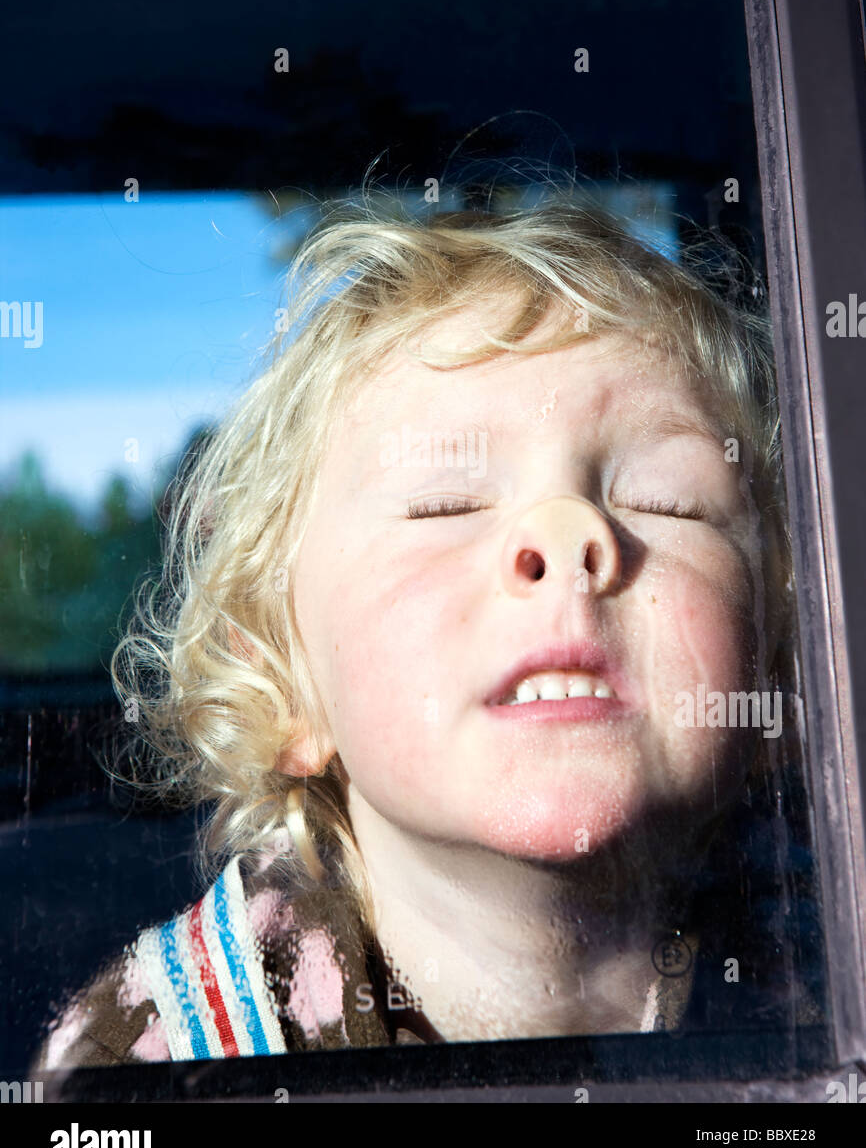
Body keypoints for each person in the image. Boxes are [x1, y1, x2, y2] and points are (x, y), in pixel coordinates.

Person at [32, 193, 820, 1071]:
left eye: (666, 499)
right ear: (285, 679)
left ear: (783, 661)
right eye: (444, 504)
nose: (566, 536)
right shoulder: (156, 1056)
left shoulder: (833, 970)